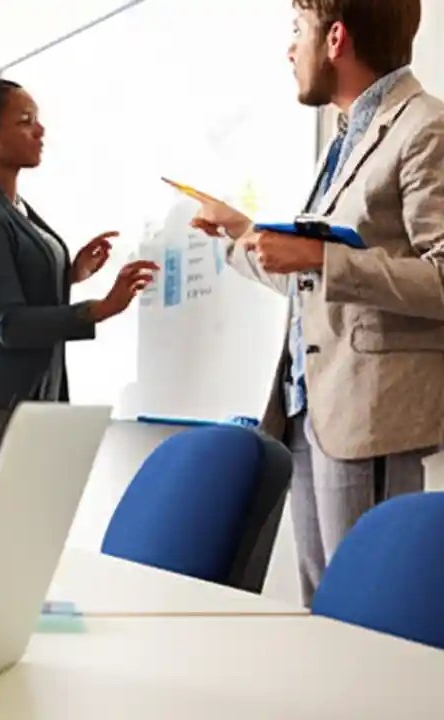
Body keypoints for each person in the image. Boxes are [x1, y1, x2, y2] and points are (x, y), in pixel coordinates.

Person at [186, 0, 444, 604]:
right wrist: (241, 232)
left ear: (336, 39)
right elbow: (319, 282)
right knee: (322, 612)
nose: (289, 49)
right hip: (309, 407)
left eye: (297, 30)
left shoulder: (424, 127)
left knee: (365, 616)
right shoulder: (347, 135)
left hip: (368, 416)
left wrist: (319, 257)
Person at [0, 78, 157, 518]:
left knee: (6, 539)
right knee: (0, 539)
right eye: (25, 121)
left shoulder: (10, 204)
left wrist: (71, 273)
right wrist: (101, 309)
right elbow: (7, 322)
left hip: (13, 400)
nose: (40, 130)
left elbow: (8, 283)